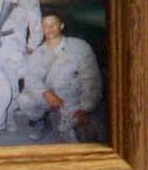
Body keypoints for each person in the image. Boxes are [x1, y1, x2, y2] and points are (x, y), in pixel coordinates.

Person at [22, 9, 104, 143]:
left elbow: (92, 79)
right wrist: (45, 93)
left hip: (72, 97)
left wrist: (85, 108)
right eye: (45, 26)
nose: (49, 29)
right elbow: (31, 78)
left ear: (61, 25)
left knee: (77, 139)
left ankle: (75, 119)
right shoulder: (38, 52)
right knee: (25, 100)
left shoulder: (80, 47)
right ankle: (42, 121)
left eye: (53, 24)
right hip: (48, 95)